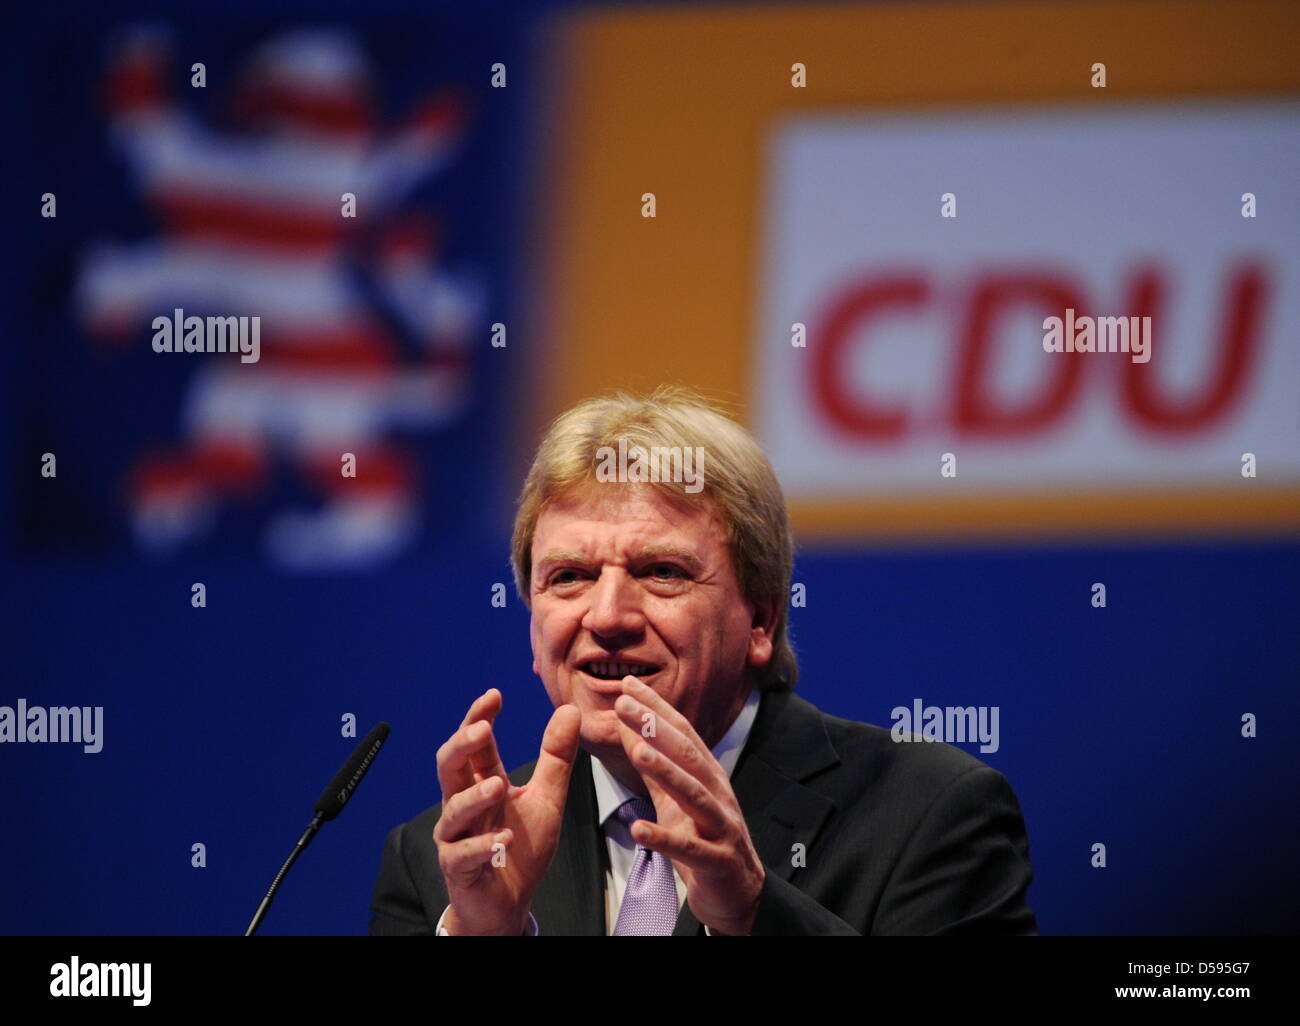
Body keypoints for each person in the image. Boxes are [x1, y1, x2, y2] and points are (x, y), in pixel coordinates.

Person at [369, 387, 1037, 935]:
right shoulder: (444, 866)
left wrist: (751, 913)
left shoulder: (930, 814)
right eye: (569, 576)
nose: (606, 617)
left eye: (661, 571)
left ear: (760, 620)